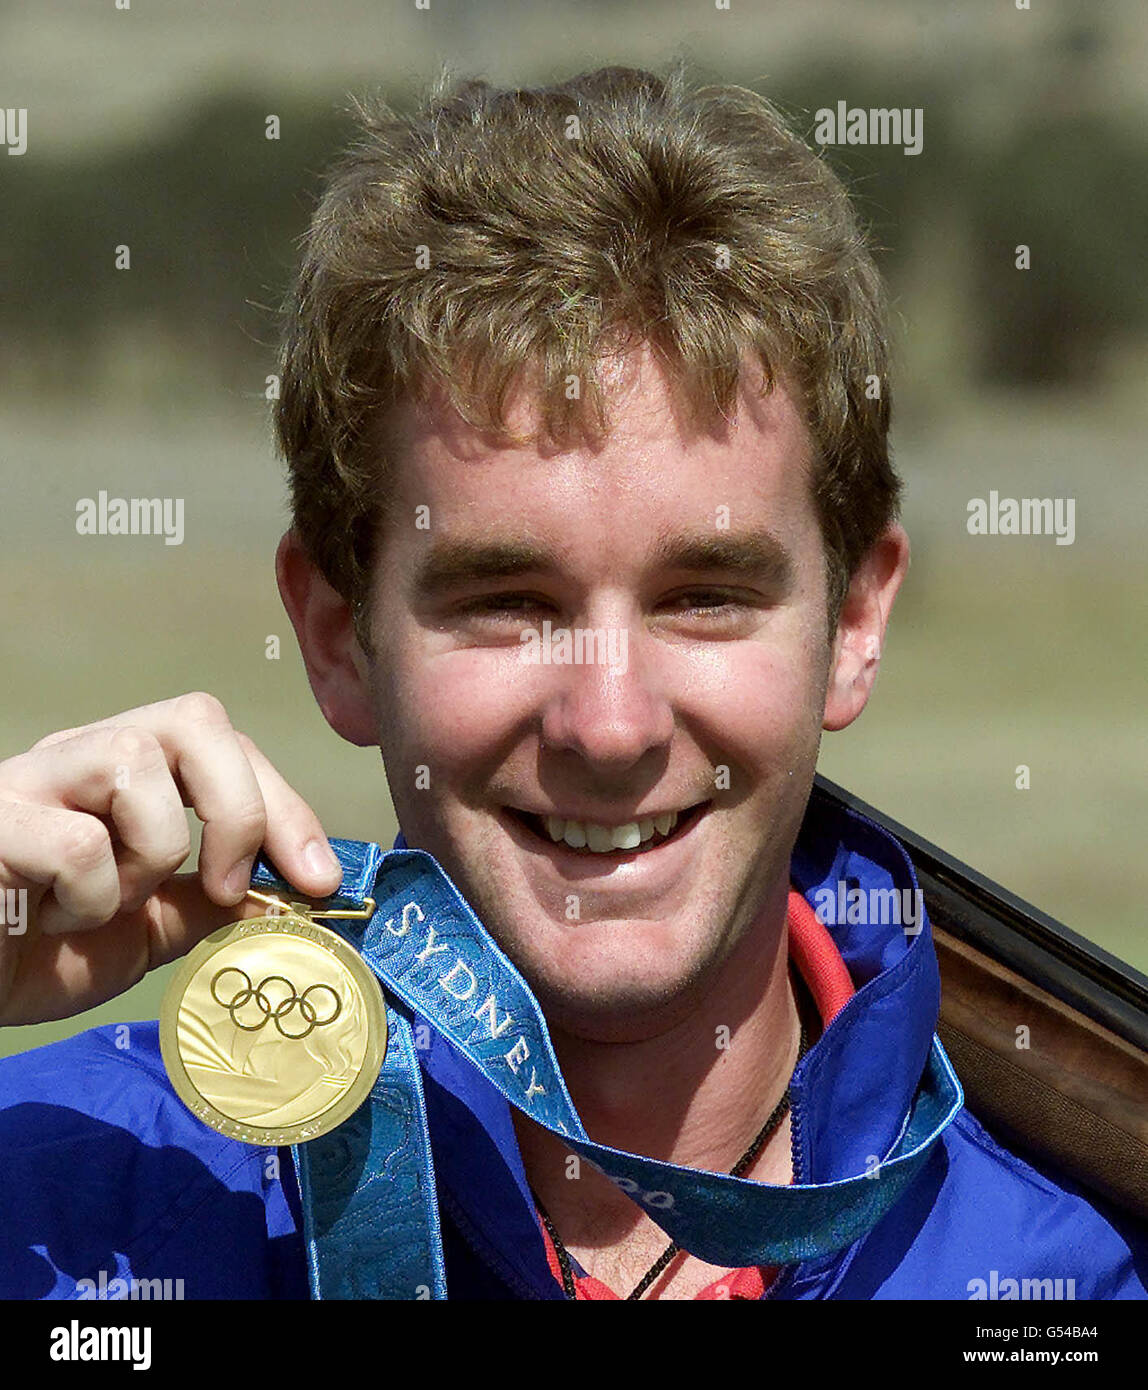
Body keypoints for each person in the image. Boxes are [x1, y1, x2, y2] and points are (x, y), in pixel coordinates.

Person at [0, 66, 1144, 1301]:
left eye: (704, 595)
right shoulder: (64, 1204)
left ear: (853, 620)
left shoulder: (1067, 1284)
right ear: (336, 637)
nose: (609, 723)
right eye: (506, 602)